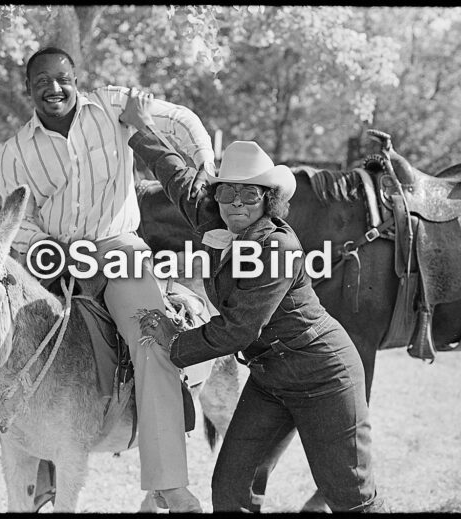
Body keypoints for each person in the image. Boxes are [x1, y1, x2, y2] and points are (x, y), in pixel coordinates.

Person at [122, 92, 382, 512]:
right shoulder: (216, 215)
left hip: (323, 375)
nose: (237, 205)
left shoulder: (276, 245)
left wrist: (174, 344)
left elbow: (240, 328)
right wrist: (141, 127)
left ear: (268, 199)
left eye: (250, 196)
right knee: (231, 491)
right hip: (270, 376)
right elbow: (176, 176)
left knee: (350, 495)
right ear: (218, 196)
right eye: (228, 195)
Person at [0, 46, 216, 512]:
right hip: (54, 259)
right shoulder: (17, 149)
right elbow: (21, 219)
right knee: (18, 346)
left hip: (119, 249)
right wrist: (45, 249)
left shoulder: (114, 105)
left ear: (76, 78)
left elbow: (181, 118)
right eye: (42, 81)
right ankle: (40, 480)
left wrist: (207, 166)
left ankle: (167, 483)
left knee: (155, 340)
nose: (53, 88)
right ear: (29, 89)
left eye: (62, 78)